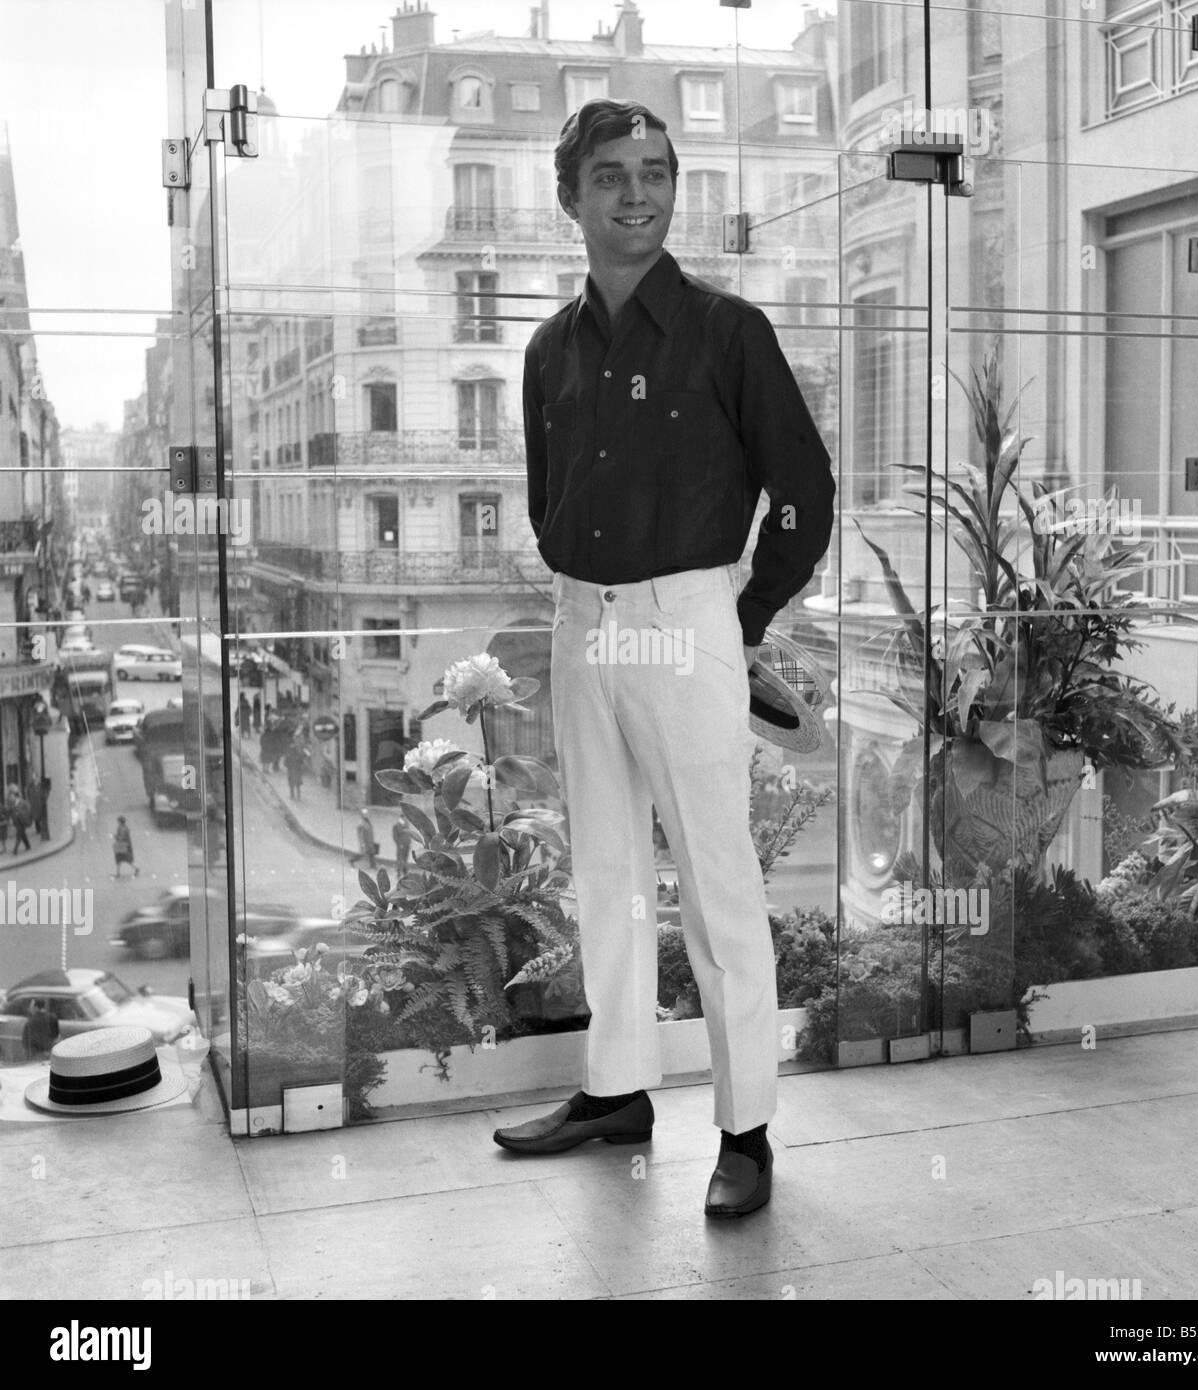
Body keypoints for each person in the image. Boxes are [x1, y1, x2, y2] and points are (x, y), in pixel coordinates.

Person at [497, 100, 834, 1219]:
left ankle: (744, 1130)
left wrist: (741, 618)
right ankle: (616, 1089)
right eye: (610, 175)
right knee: (601, 868)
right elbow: (551, 491)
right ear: (571, 198)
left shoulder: (727, 332)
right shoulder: (547, 349)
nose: (635, 193)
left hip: (686, 615)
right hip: (580, 617)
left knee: (717, 882)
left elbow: (805, 489)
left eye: (654, 172)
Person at [7, 787, 32, 853]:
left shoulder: (23, 802)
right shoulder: (13, 803)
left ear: (16, 796)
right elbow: (10, 811)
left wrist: (22, 814)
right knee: (22, 834)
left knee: (18, 835)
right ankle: (28, 845)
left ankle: (15, 850)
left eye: (12, 796)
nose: (11, 798)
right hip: (17, 822)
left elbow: (28, 810)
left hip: (23, 821)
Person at [392, 813, 412, 879]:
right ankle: (398, 873)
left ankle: (405, 872)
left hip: (407, 845)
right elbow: (395, 837)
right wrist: (399, 844)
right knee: (400, 859)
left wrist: (409, 842)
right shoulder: (396, 826)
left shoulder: (407, 824)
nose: (406, 819)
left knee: (405, 859)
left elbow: (409, 834)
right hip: (401, 845)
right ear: (401, 818)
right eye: (405, 818)